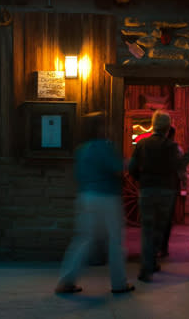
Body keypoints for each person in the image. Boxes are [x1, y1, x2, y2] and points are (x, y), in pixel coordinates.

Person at [55, 111, 135, 295]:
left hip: (85, 197)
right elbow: (118, 167)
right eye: (104, 124)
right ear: (99, 127)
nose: (108, 128)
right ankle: (119, 283)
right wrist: (130, 160)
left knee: (84, 240)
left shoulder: (81, 149)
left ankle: (66, 280)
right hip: (107, 197)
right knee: (115, 241)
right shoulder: (105, 146)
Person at [128, 110, 189, 282]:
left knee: (147, 229)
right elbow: (180, 165)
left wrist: (142, 180)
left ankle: (147, 265)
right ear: (167, 128)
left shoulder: (142, 144)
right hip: (166, 191)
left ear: (153, 126)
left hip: (147, 190)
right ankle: (150, 263)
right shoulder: (171, 147)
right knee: (159, 229)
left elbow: (132, 169)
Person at [159, 126, 188, 258]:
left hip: (156, 186)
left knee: (156, 218)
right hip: (170, 186)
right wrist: (184, 183)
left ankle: (154, 248)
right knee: (167, 219)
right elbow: (181, 168)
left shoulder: (153, 146)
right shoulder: (176, 148)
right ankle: (163, 247)